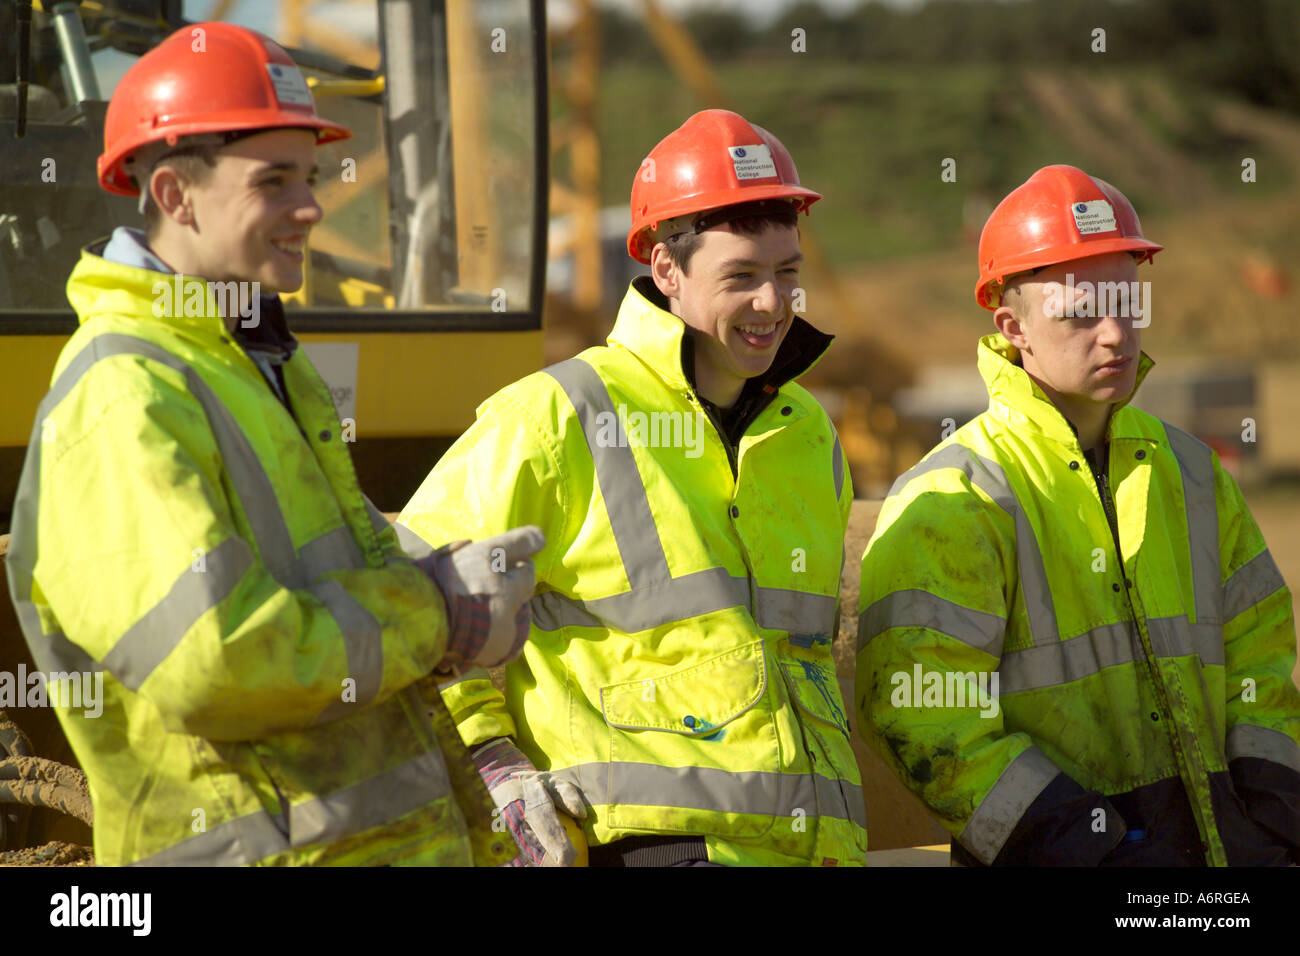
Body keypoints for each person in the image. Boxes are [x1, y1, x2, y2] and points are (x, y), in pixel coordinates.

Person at [5, 21, 541, 866]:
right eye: (274, 181)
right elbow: (212, 664)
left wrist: (439, 590)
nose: (312, 207)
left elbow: (325, 587)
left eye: (312, 176)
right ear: (176, 195)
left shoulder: (256, 363)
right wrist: (437, 616)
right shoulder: (124, 393)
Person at [397, 109, 866, 867]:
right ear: (664, 267)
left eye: (787, 273)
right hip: (646, 847)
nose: (774, 305)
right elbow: (410, 598)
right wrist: (493, 765)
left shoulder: (806, 431)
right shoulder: (558, 415)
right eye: (742, 276)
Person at [857, 164, 1300, 866]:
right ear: (1013, 326)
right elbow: (926, 715)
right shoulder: (959, 496)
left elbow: (1262, 658)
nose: (1114, 334)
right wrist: (1089, 846)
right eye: (1081, 312)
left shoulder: (1192, 473)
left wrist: (1274, 820)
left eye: (1127, 304)